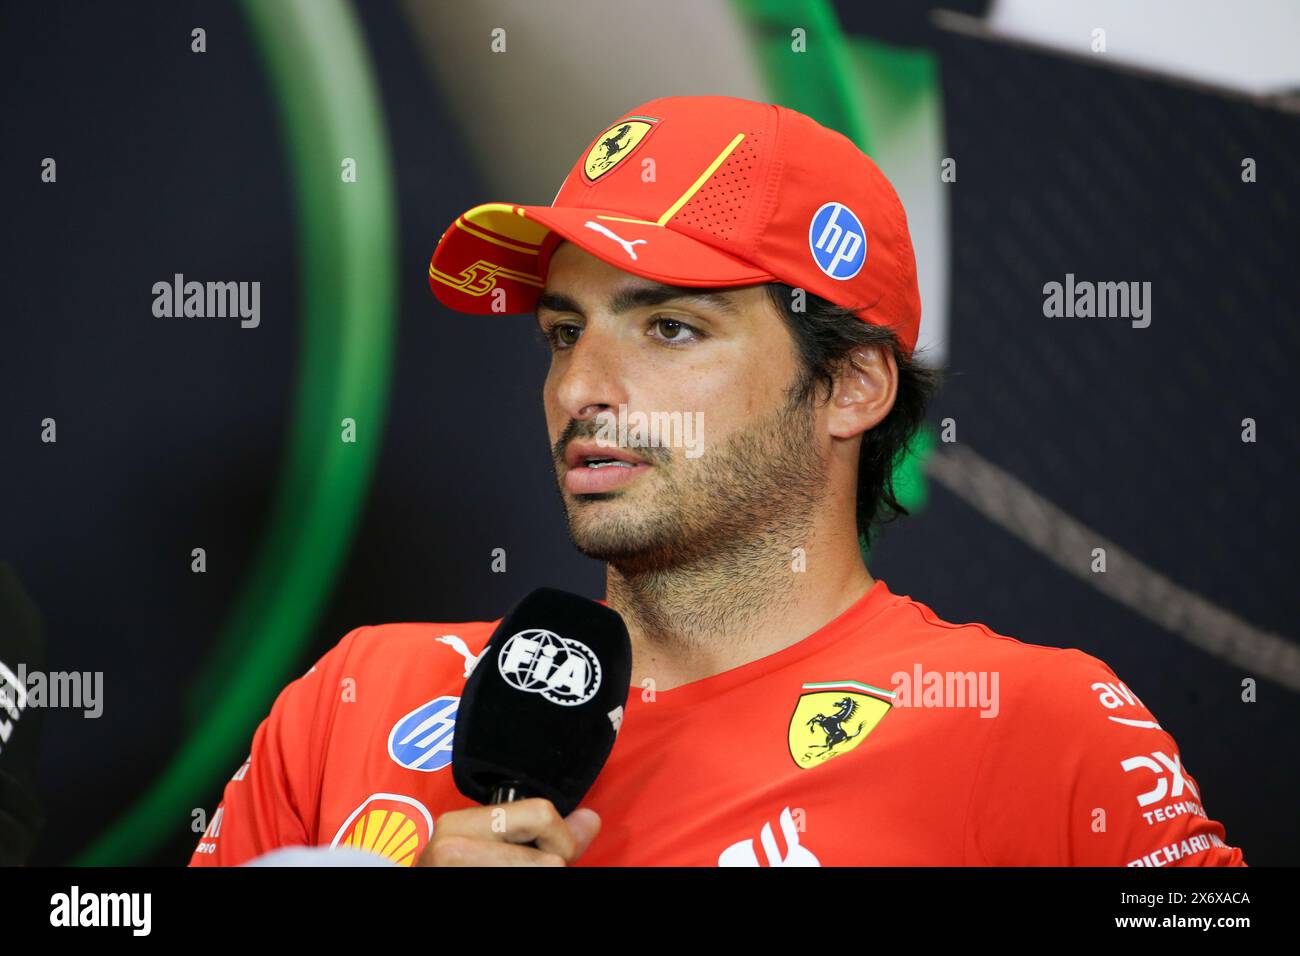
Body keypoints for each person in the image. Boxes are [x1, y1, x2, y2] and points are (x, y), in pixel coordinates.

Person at [190, 95, 1243, 867]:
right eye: (564, 331)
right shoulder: (356, 697)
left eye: (669, 327)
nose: (581, 388)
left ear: (850, 385)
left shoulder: (1036, 723)